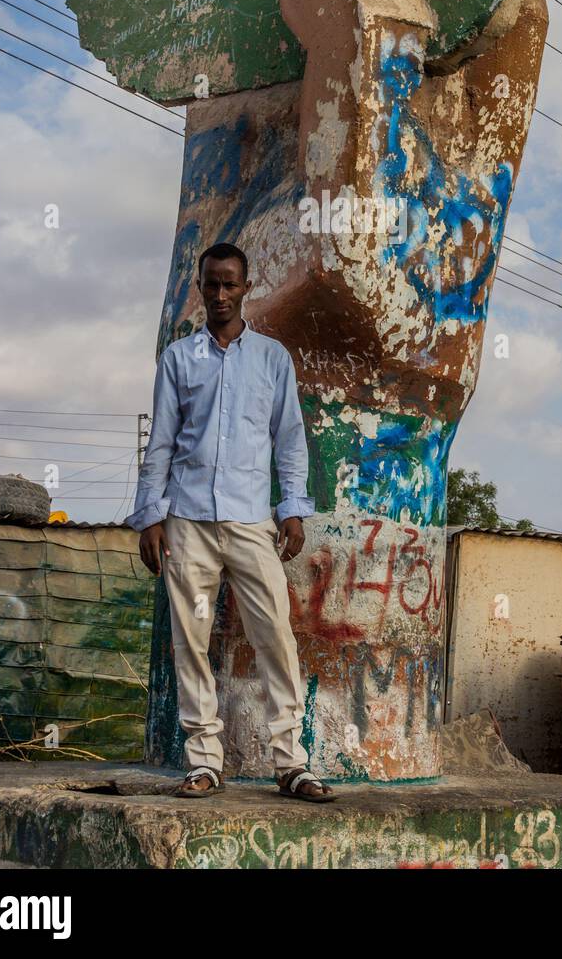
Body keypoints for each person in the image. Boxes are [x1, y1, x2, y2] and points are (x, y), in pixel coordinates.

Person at [128, 241, 335, 802]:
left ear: (246, 287)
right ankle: (203, 761)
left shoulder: (272, 359)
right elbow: (162, 444)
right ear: (201, 289)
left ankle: (292, 763)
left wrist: (292, 506)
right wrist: (151, 517)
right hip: (188, 522)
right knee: (190, 641)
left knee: (275, 637)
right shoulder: (178, 360)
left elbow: (289, 440)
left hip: (250, 523)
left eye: (229, 284)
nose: (220, 294)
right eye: (211, 284)